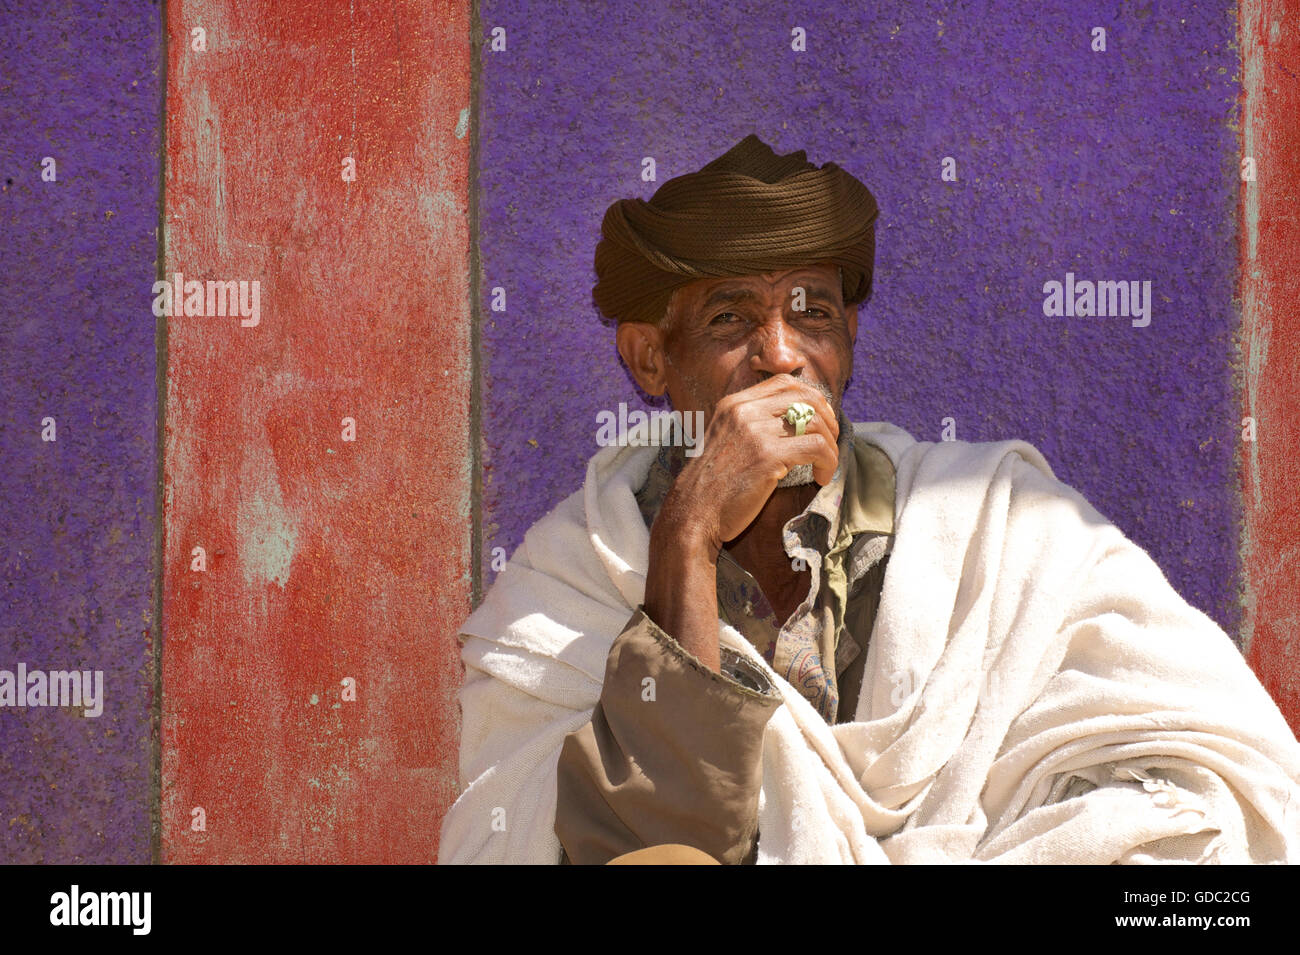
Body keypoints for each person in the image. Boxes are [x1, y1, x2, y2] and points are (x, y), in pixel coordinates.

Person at [437, 134, 1300, 865]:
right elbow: (649, 839)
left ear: (846, 340)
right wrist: (688, 536)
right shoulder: (563, 593)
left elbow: (1224, 774)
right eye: (731, 320)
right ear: (650, 360)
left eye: (811, 311)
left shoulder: (1001, 526)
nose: (781, 354)